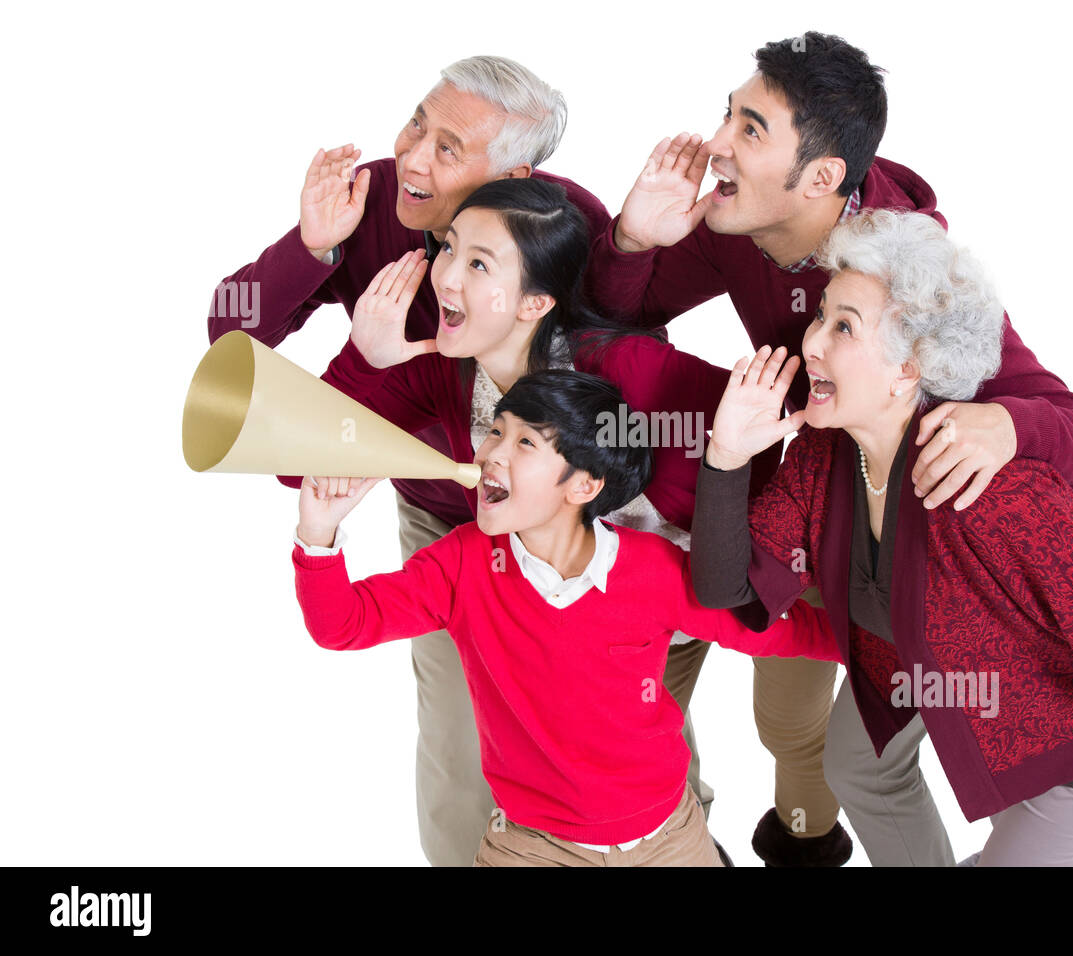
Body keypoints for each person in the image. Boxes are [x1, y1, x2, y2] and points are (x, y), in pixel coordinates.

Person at [586, 30, 1073, 866]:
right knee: (806, 734)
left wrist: (1011, 424)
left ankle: (811, 836)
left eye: (751, 130)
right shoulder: (739, 224)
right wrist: (630, 238)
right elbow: (622, 309)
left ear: (823, 179)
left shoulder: (909, 274)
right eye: (727, 115)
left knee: (824, 732)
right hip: (795, 510)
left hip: (910, 565)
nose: (717, 145)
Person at [691, 209, 1073, 865]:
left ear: (911, 367)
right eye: (821, 315)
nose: (810, 342)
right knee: (855, 765)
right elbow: (726, 589)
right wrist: (725, 458)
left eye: (843, 327)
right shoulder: (822, 453)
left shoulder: (989, 488)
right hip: (931, 671)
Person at [289, 176, 776, 863]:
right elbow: (298, 462)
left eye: (478, 263)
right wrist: (364, 358)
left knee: (633, 761)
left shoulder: (627, 369)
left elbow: (752, 430)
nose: (446, 276)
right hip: (532, 596)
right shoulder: (445, 369)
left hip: (658, 594)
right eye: (448, 248)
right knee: (541, 761)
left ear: (537, 302)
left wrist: (709, 557)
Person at [207, 56, 609, 866]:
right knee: (461, 737)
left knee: (611, 728)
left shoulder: (571, 229)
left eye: (450, 147)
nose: (414, 158)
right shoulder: (372, 199)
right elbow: (231, 328)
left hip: (568, 522)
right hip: (442, 516)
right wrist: (312, 249)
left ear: (515, 176)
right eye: (417, 122)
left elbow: (625, 379)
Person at [291, 370, 841, 866]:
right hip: (532, 847)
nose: (493, 454)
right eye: (496, 432)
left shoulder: (651, 567)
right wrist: (318, 535)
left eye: (525, 442)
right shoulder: (461, 565)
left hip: (668, 836)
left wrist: (869, 647)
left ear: (584, 485)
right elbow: (343, 624)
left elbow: (764, 633)